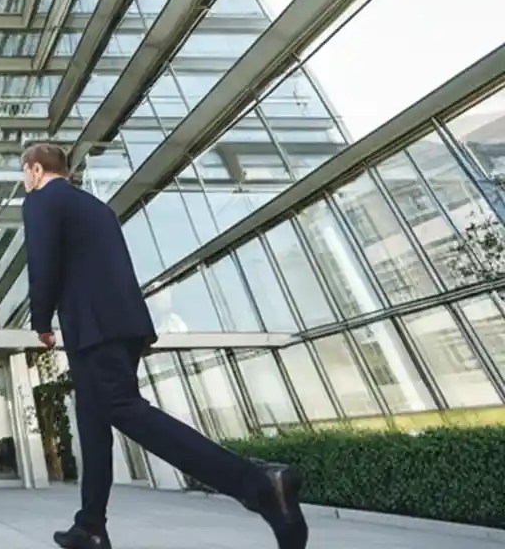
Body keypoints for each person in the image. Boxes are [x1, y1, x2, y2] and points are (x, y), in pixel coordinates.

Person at [19, 142, 308, 549]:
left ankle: (258, 483)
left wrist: (41, 321)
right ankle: (90, 526)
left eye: (24, 173)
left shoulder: (41, 200)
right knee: (93, 421)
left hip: (92, 328)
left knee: (123, 408)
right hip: (123, 325)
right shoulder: (97, 208)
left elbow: (42, 261)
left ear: (34, 170)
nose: (25, 181)